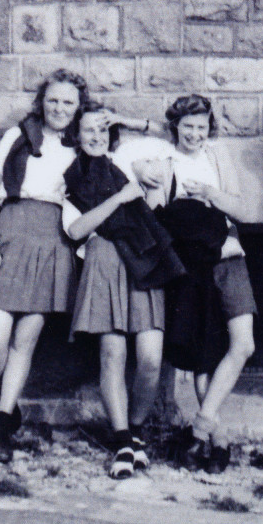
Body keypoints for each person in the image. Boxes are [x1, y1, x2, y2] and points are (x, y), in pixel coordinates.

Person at [0, 69, 85, 464]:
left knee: (24, 342)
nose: (60, 108)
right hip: (10, 235)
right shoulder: (18, 137)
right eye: (53, 100)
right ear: (42, 101)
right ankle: (10, 406)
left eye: (69, 102)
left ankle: (1, 425)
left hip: (53, 242)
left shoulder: (82, 144)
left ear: (79, 107)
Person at [62, 103, 185, 479]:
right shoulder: (72, 174)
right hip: (102, 260)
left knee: (150, 357)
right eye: (88, 131)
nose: (96, 137)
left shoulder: (126, 158)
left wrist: (128, 121)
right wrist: (120, 198)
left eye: (102, 129)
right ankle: (122, 442)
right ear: (76, 136)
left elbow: (171, 135)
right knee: (112, 354)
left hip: (142, 259)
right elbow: (76, 230)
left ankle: (136, 431)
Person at [155, 94, 258, 474]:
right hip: (194, 266)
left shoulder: (217, 156)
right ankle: (218, 442)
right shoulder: (164, 163)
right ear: (175, 127)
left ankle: (200, 428)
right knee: (203, 355)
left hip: (230, 259)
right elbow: (158, 219)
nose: (195, 134)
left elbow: (244, 211)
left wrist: (210, 195)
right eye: (188, 126)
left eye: (201, 126)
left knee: (243, 343)